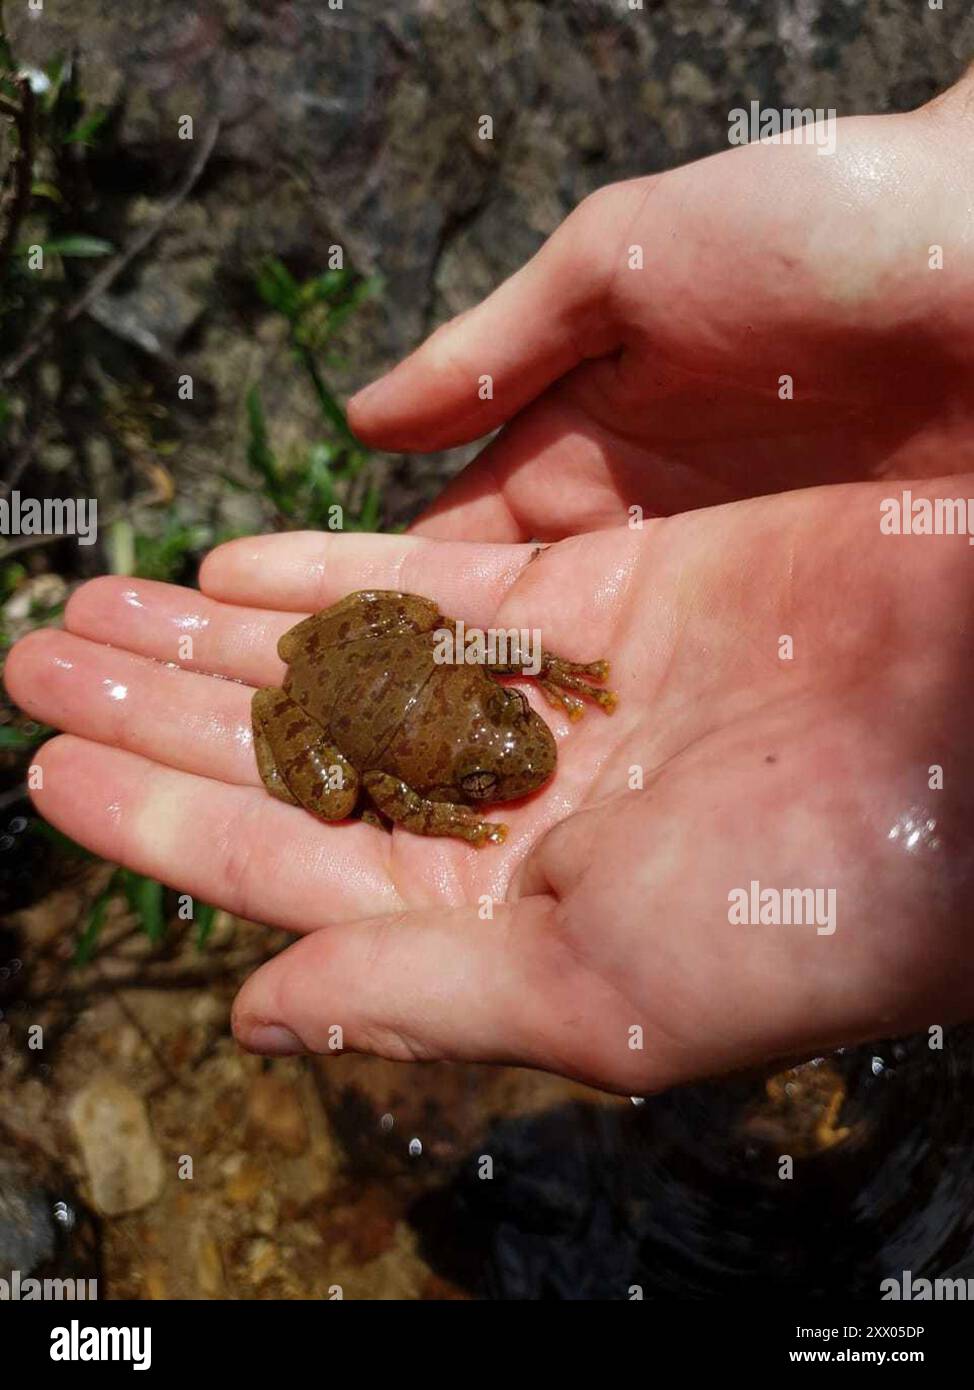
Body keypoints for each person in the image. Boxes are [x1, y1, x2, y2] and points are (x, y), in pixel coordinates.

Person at [6, 72, 974, 1094]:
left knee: (420, 645)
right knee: (336, 796)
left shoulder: (484, 685)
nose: (515, 765)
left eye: (505, 743)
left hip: (373, 661)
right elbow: (383, 783)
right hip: (331, 700)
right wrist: (453, 813)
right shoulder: (439, 760)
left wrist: (551, 676)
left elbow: (489, 652)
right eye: (490, 779)